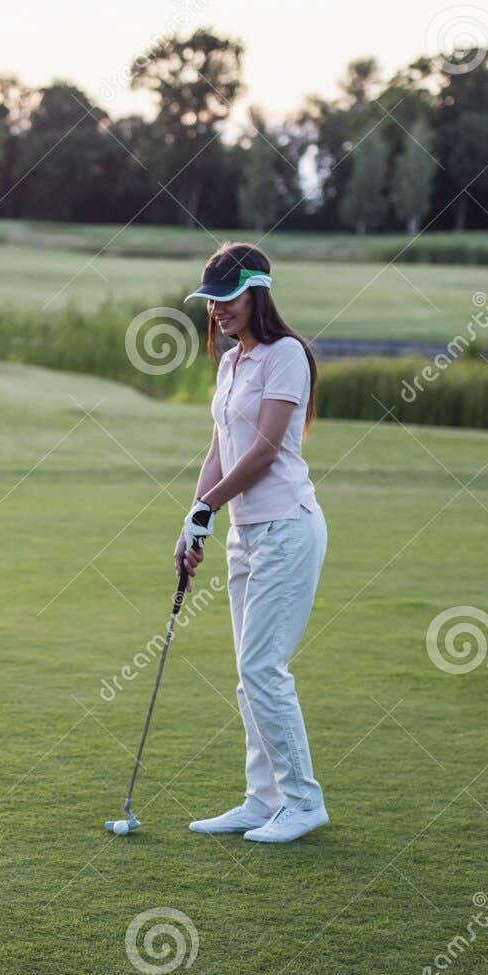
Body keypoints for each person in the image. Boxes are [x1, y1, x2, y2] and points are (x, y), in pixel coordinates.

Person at [177, 242, 329, 844]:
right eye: (210, 302)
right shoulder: (231, 363)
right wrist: (194, 519)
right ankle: (262, 799)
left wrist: (207, 507)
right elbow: (220, 449)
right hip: (245, 533)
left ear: (257, 292)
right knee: (249, 673)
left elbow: (264, 451)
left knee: (262, 667)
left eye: (227, 298)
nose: (217, 311)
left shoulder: (286, 354)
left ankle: (303, 802)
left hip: (288, 527)